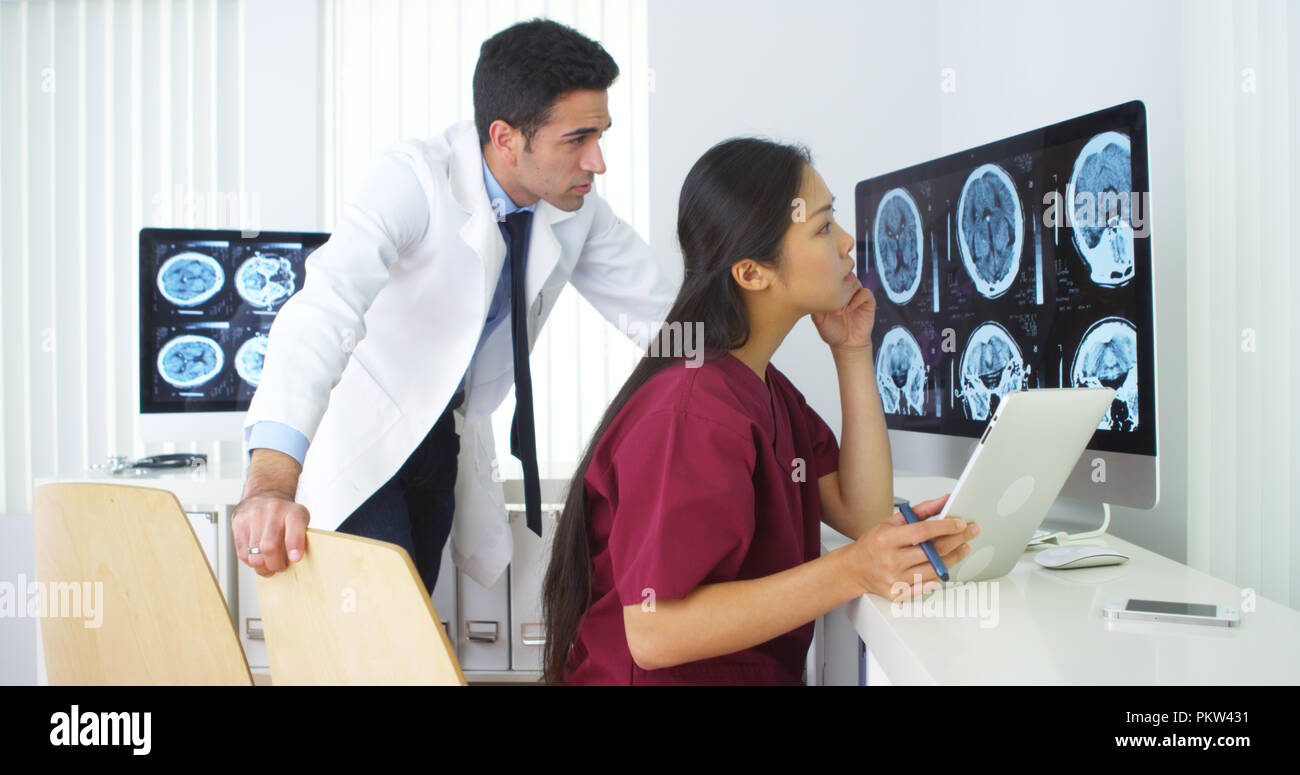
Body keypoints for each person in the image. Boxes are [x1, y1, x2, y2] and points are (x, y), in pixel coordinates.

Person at [233, 19, 677, 595]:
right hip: (362, 436)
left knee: (411, 626)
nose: (598, 161)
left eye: (601, 135)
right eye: (577, 139)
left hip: (444, 438)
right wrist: (270, 481)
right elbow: (324, 308)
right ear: (506, 136)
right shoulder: (414, 179)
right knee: (381, 637)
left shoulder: (576, 209)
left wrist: (757, 390)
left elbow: (666, 320)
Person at [542, 138, 979, 685]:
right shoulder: (691, 411)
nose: (848, 243)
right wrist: (852, 569)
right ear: (752, 273)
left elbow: (860, 512)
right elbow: (654, 634)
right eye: (822, 228)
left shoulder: (762, 388)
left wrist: (851, 350)